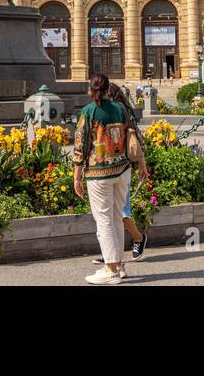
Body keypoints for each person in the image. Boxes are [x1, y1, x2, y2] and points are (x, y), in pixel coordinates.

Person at [72, 73, 134, 284]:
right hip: (122, 170)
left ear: (91, 90)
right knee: (117, 219)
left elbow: (80, 146)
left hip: (99, 174)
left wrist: (77, 177)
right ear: (108, 90)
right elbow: (129, 134)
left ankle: (110, 269)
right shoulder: (120, 109)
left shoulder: (89, 112)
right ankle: (119, 265)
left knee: (104, 221)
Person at [90, 85, 150, 268]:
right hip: (106, 170)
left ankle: (138, 238)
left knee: (121, 213)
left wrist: (142, 166)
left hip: (122, 169)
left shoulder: (121, 112)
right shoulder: (104, 112)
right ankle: (111, 255)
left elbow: (135, 142)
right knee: (110, 214)